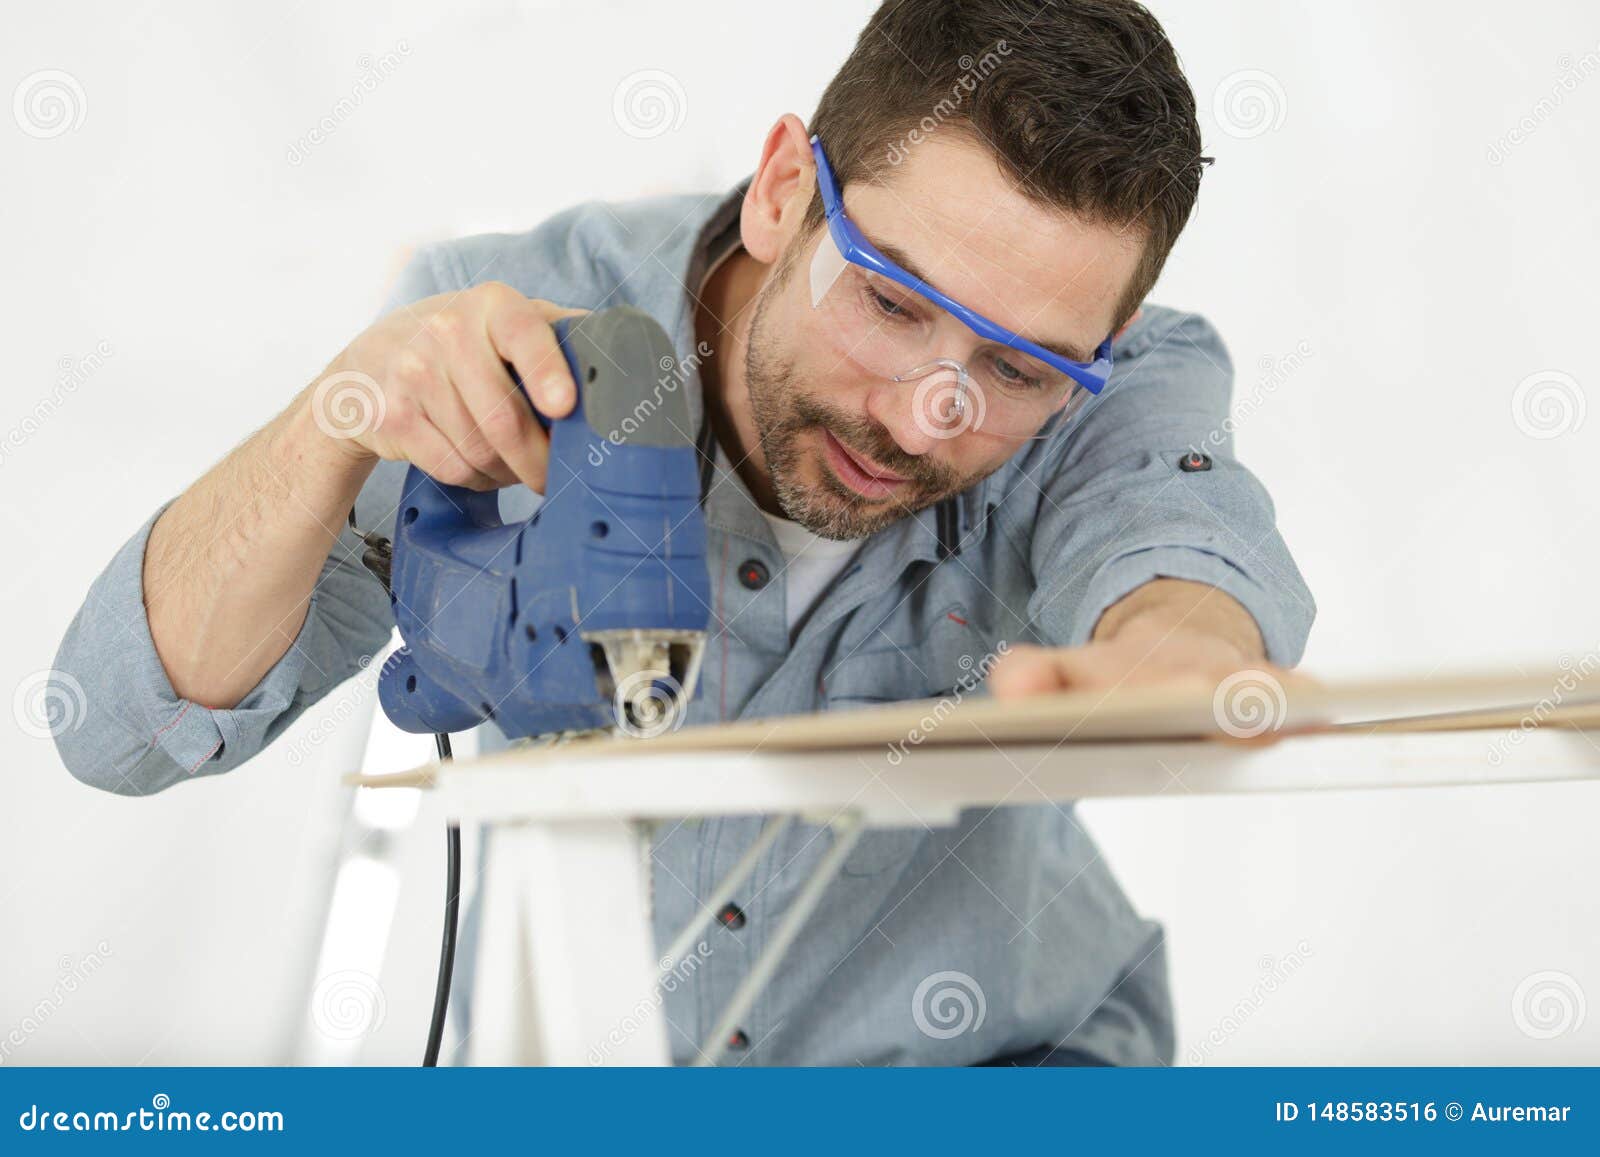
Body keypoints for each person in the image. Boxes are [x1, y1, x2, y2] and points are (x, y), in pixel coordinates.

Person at [50, 0, 1313, 1065]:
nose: (925, 414)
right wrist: (328, 425)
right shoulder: (517, 334)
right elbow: (119, 729)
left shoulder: (1126, 381)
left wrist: (1181, 660)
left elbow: (1174, 538)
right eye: (886, 300)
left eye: (1021, 370)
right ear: (781, 192)